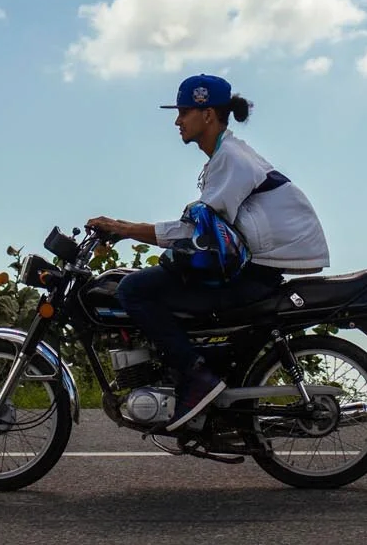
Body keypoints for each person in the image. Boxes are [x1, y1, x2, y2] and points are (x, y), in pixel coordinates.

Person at [87, 74, 331, 431]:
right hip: (256, 263)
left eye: (184, 112)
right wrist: (127, 232)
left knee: (133, 289)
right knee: (169, 276)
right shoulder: (225, 156)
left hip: (257, 271)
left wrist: (124, 228)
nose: (177, 121)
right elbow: (203, 229)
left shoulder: (231, 159)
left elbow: (194, 231)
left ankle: (197, 376)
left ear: (208, 115)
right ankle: (191, 378)